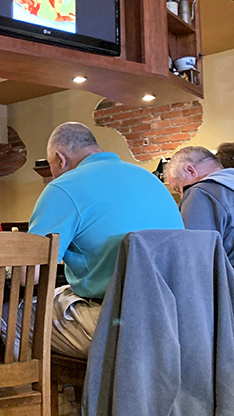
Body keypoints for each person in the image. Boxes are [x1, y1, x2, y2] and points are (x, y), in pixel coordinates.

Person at [28, 122, 183, 359]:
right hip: (178, 321)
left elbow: (31, 273)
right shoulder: (149, 179)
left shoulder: (63, 186)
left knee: (7, 316)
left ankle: (45, 396)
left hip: (118, 322)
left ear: (60, 159)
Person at [164, 145, 234, 265]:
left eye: (179, 189)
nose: (182, 196)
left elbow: (195, 257)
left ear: (190, 170)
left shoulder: (200, 193)